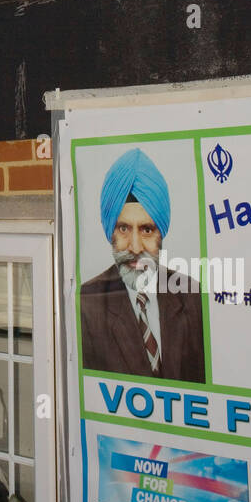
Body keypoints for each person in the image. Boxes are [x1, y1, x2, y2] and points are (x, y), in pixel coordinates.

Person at [79, 148, 205, 382]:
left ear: (161, 236)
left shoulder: (192, 297)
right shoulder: (86, 304)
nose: (135, 247)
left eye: (146, 230)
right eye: (124, 228)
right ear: (111, 234)